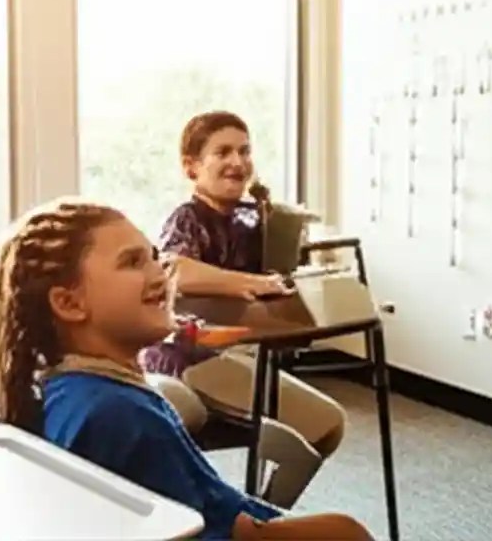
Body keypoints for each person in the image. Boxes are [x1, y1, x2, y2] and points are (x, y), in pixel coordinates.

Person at [0, 198, 371, 541]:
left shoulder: (80, 394)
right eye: (132, 262)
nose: (160, 272)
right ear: (70, 303)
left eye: (154, 256)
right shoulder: (119, 417)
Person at [145, 112, 347, 475]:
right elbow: (174, 267)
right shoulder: (186, 218)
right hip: (189, 360)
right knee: (320, 425)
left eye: (244, 151)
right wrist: (251, 283)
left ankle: (259, 517)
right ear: (192, 167)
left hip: (241, 355)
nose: (237, 162)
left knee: (329, 426)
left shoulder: (251, 220)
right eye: (222, 152)